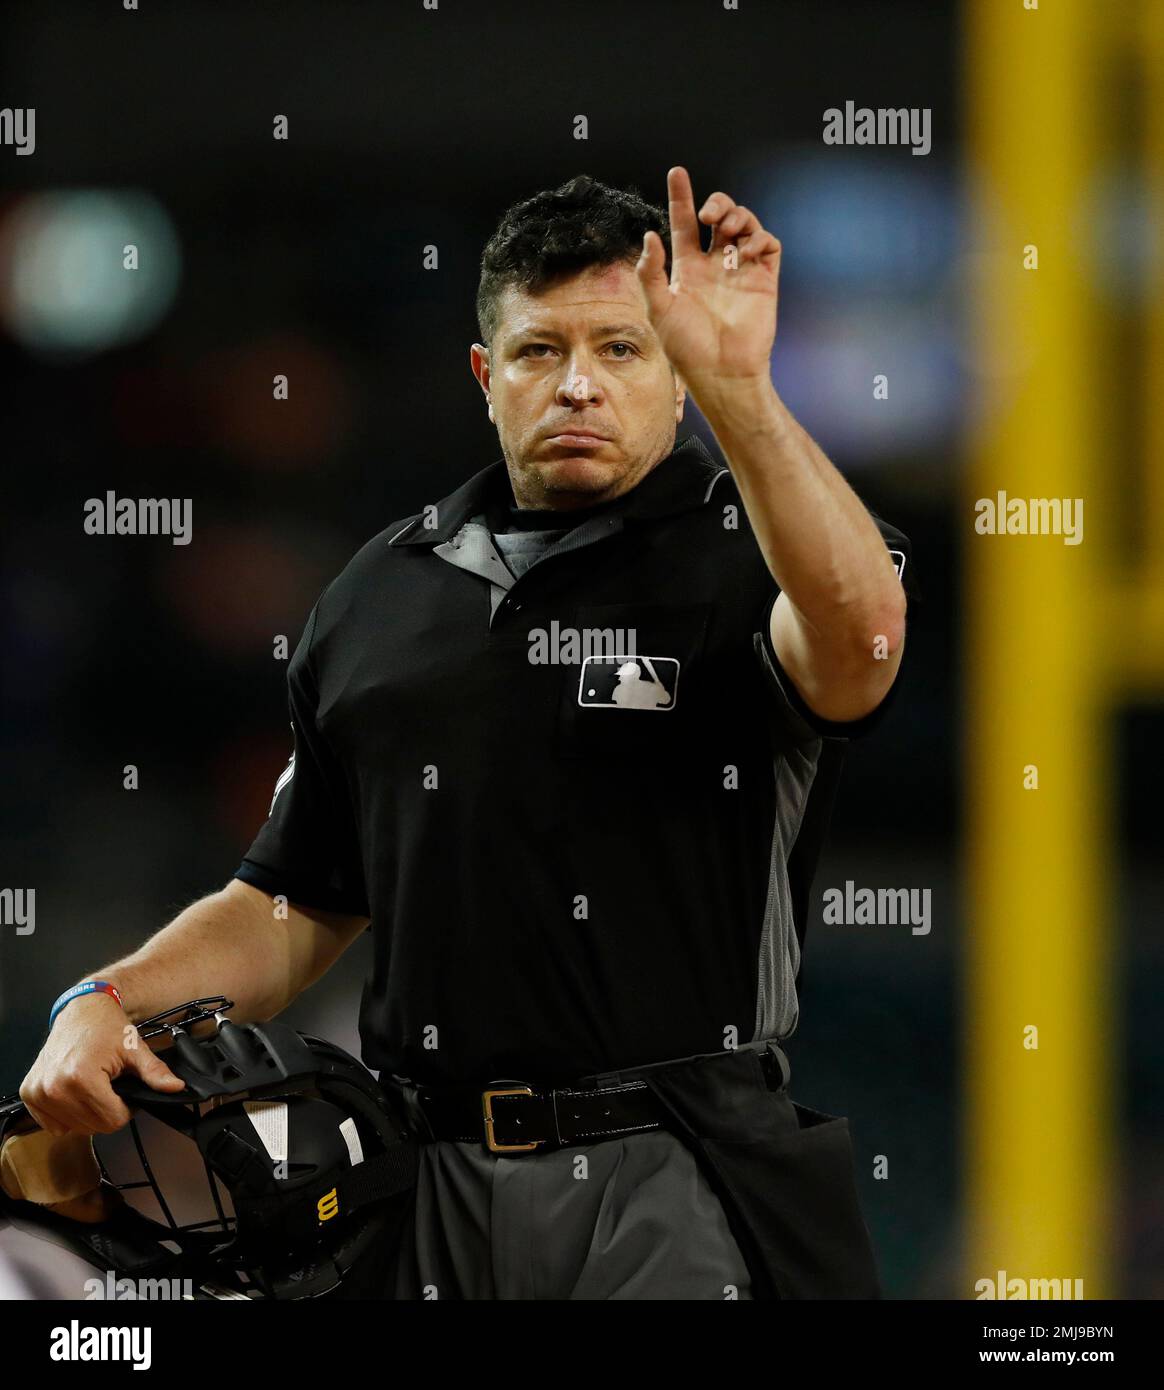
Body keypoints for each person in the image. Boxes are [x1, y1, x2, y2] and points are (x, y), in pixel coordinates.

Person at [18, 168, 914, 1300]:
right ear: (489, 377)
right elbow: (289, 906)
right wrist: (103, 1001)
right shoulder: (381, 591)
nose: (579, 384)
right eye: (542, 351)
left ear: (675, 372)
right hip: (423, 1181)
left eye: (625, 350)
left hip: (674, 1168)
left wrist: (739, 387)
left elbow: (864, 638)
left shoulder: (749, 546)